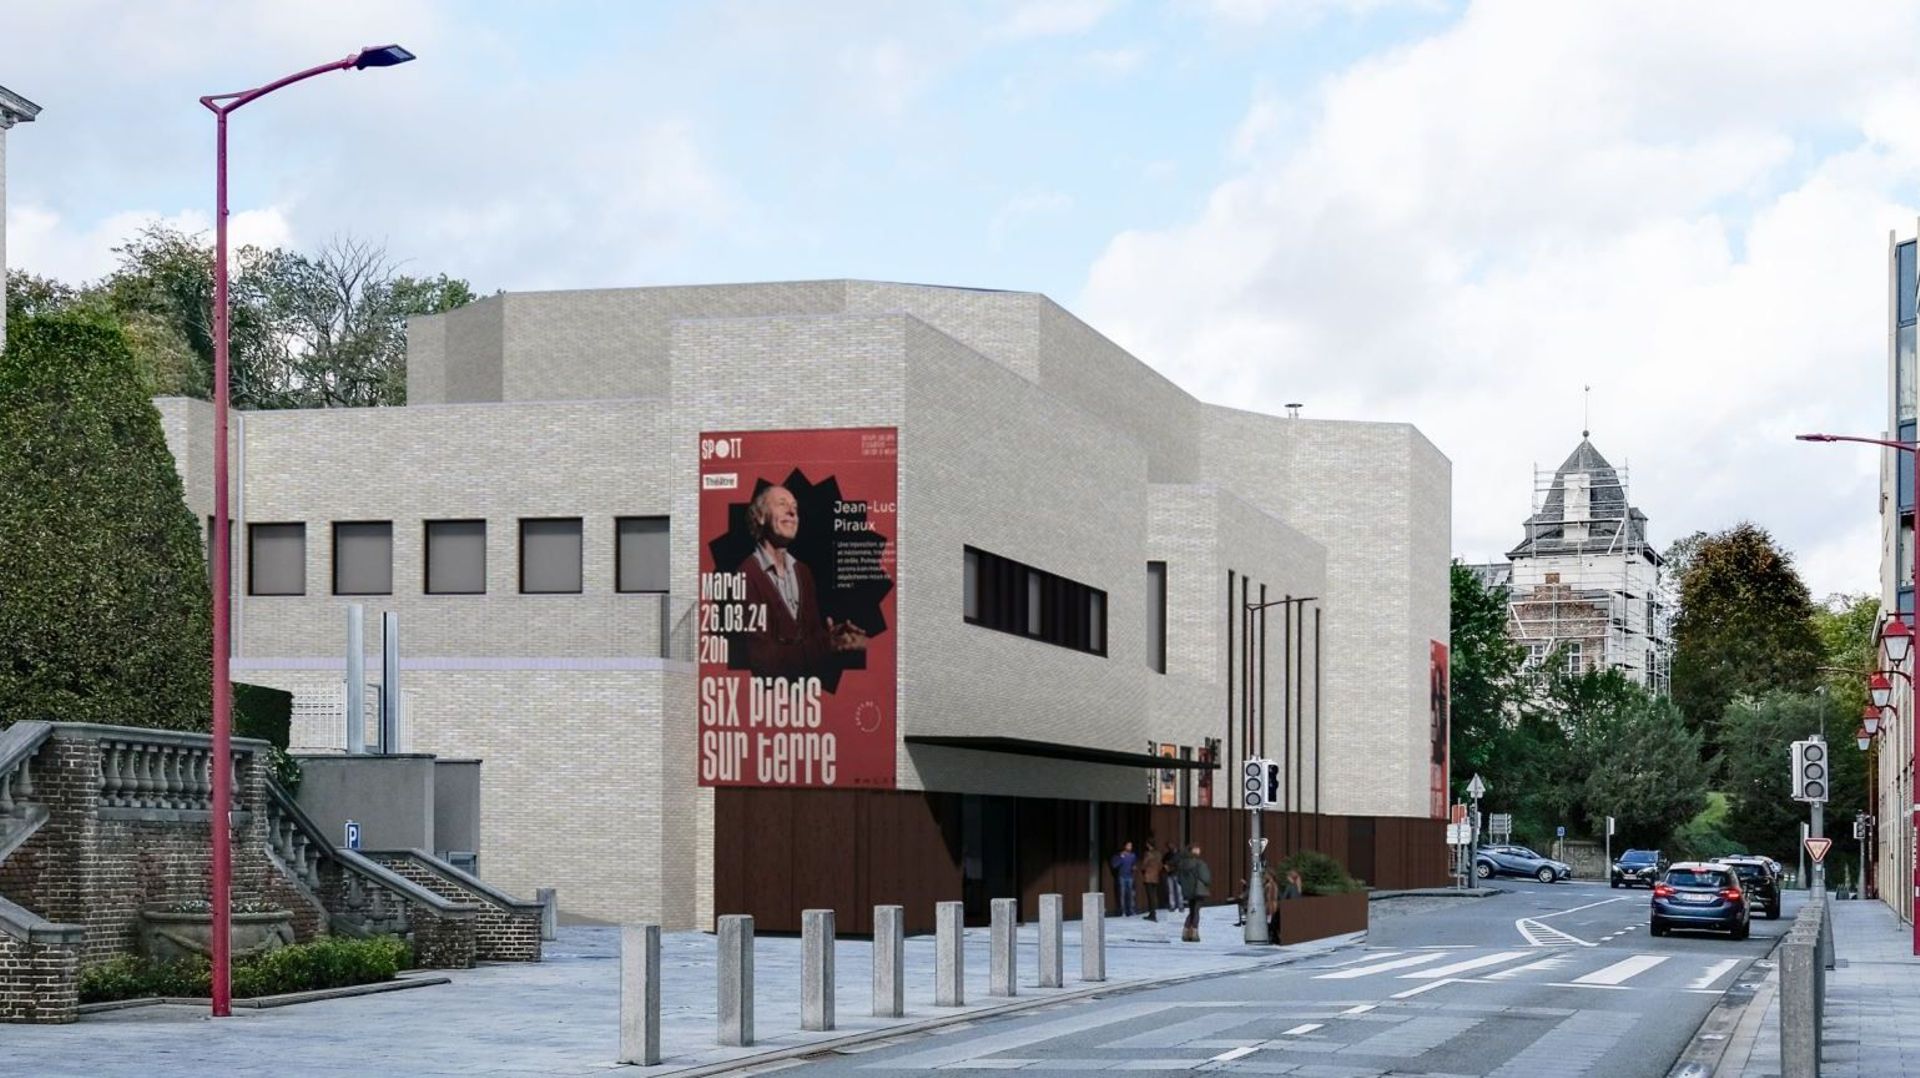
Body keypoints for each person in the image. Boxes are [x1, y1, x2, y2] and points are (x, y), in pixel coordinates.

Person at [737, 485, 868, 679]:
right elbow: (761, 661)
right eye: (782, 504)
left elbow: (811, 641)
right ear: (761, 517)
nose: (792, 512)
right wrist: (826, 645)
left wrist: (834, 636)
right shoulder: (746, 575)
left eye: (795, 508)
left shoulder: (803, 572)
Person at [1178, 843, 1211, 942]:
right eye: (1197, 849)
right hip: (1198, 890)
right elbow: (1206, 878)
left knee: (1192, 911)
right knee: (1196, 911)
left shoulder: (1182, 863)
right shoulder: (1199, 863)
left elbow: (1179, 879)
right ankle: (1194, 933)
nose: (1199, 851)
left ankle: (1185, 932)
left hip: (1188, 891)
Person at [1110, 842, 1138, 917]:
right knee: (1122, 895)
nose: (1130, 847)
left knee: (1131, 895)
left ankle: (1131, 910)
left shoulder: (1133, 855)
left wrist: (1134, 867)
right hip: (1122, 877)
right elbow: (1114, 865)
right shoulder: (1119, 855)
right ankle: (1122, 911)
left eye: (1131, 846)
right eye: (1128, 845)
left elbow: (1134, 864)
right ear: (1124, 846)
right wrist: (1121, 858)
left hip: (1130, 877)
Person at [1140, 842, 1164, 922]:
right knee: (1153, 896)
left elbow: (1144, 864)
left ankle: (1152, 914)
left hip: (1148, 876)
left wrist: (1143, 869)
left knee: (1150, 896)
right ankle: (1153, 913)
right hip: (1155, 876)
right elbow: (1160, 865)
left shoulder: (1148, 854)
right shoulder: (1158, 854)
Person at [1164, 841, 1184, 914]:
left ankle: (1180, 905)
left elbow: (1179, 864)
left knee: (1178, 891)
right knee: (1171, 891)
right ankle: (1172, 905)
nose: (1170, 848)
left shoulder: (1179, 855)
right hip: (1170, 874)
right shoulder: (1167, 855)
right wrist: (1166, 866)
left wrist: (1169, 865)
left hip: (1177, 874)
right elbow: (1164, 862)